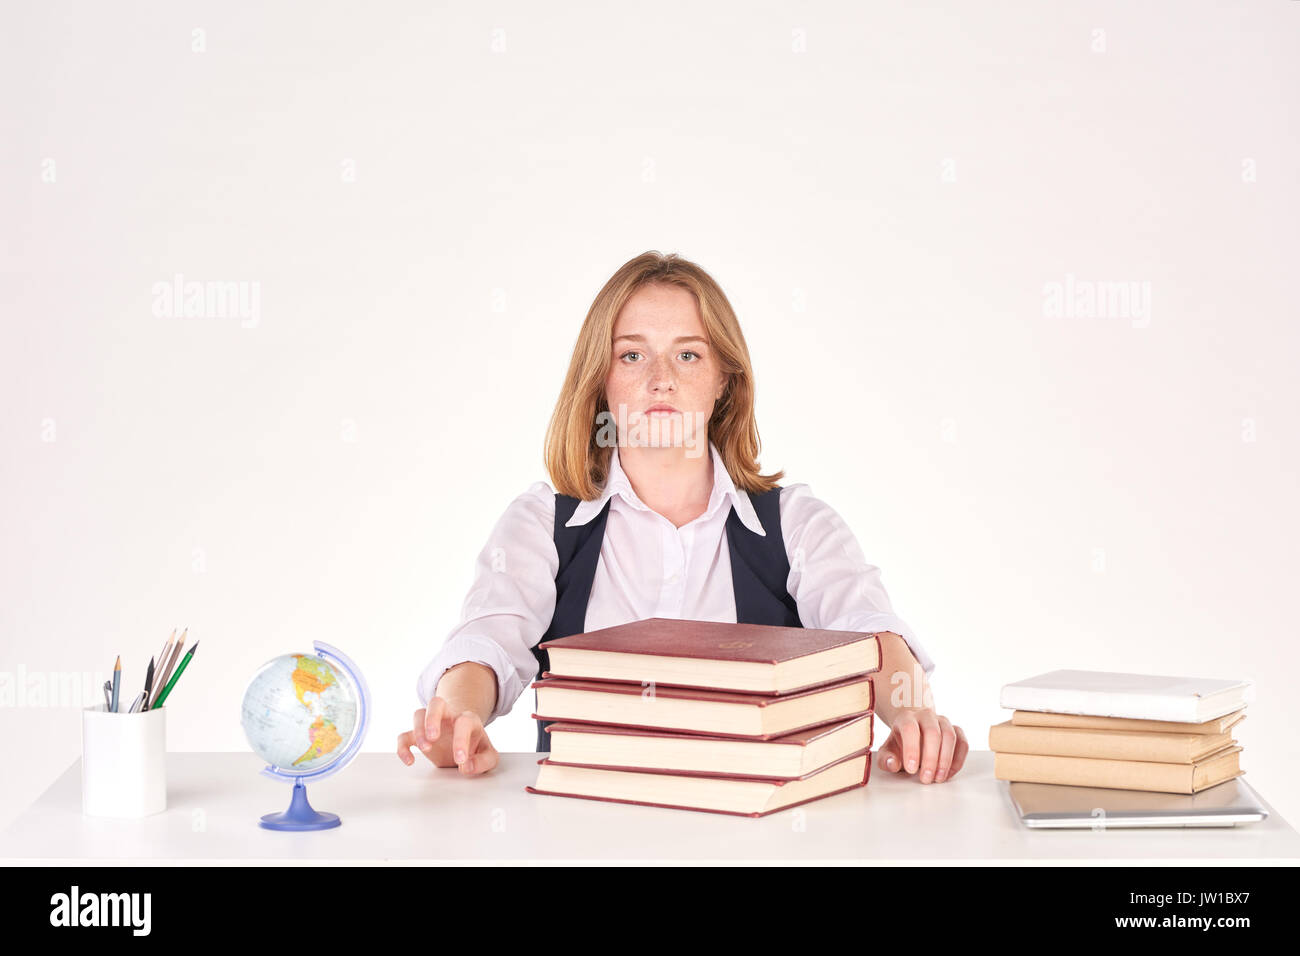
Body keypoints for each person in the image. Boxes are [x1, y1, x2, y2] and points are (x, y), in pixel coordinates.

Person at [397, 251, 968, 785]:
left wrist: (915, 718)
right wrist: (459, 715)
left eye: (688, 354)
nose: (661, 378)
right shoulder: (540, 523)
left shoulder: (796, 523)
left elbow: (866, 629)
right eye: (632, 354)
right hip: (586, 826)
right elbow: (489, 639)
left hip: (756, 829)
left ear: (724, 379)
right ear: (601, 379)